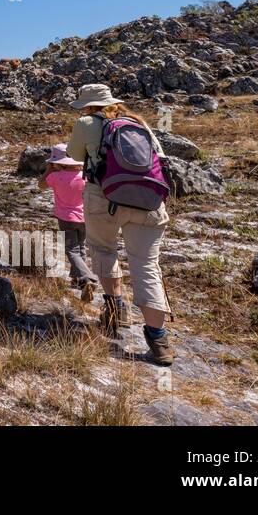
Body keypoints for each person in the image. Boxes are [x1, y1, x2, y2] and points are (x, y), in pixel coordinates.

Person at [66, 83, 174, 366]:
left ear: (87, 105)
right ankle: (159, 340)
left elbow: (75, 156)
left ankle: (116, 313)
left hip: (104, 196)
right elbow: (159, 159)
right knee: (147, 265)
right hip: (148, 199)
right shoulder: (138, 122)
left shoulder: (86, 122)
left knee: (103, 250)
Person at [37, 143, 99, 301]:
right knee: (81, 247)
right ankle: (78, 279)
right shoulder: (84, 176)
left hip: (65, 218)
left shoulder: (56, 176)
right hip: (85, 217)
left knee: (71, 250)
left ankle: (87, 277)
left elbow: (41, 185)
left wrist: (49, 169)